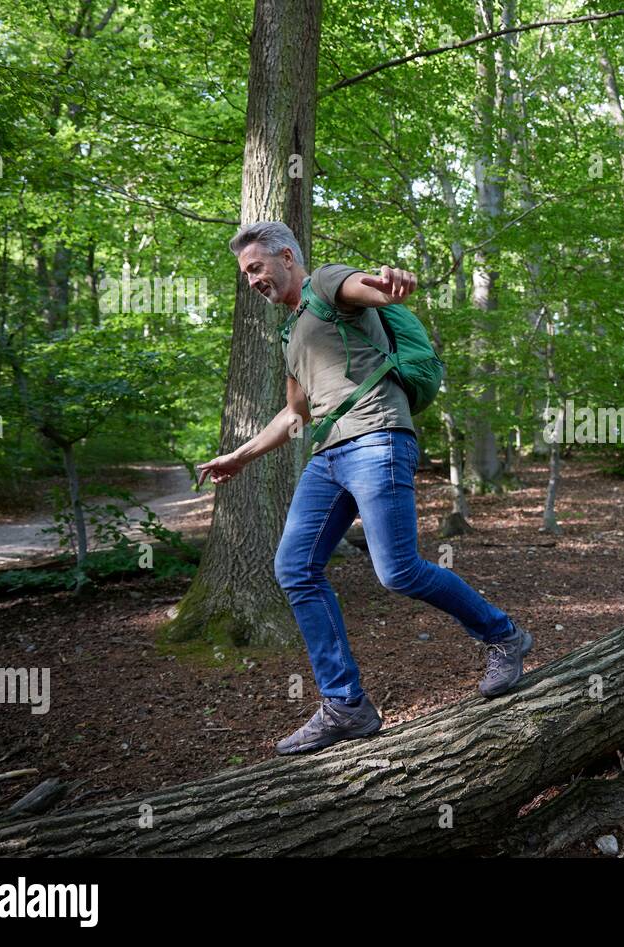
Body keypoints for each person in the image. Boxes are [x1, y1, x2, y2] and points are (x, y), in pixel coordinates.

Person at [197, 221, 533, 756]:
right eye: (246, 274)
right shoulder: (290, 333)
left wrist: (392, 282)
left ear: (287, 257)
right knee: (294, 569)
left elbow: (371, 286)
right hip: (327, 455)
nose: (252, 280)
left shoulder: (327, 283)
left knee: (398, 571)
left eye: (256, 267)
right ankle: (346, 706)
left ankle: (504, 637)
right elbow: (294, 415)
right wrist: (239, 457)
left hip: (377, 437)